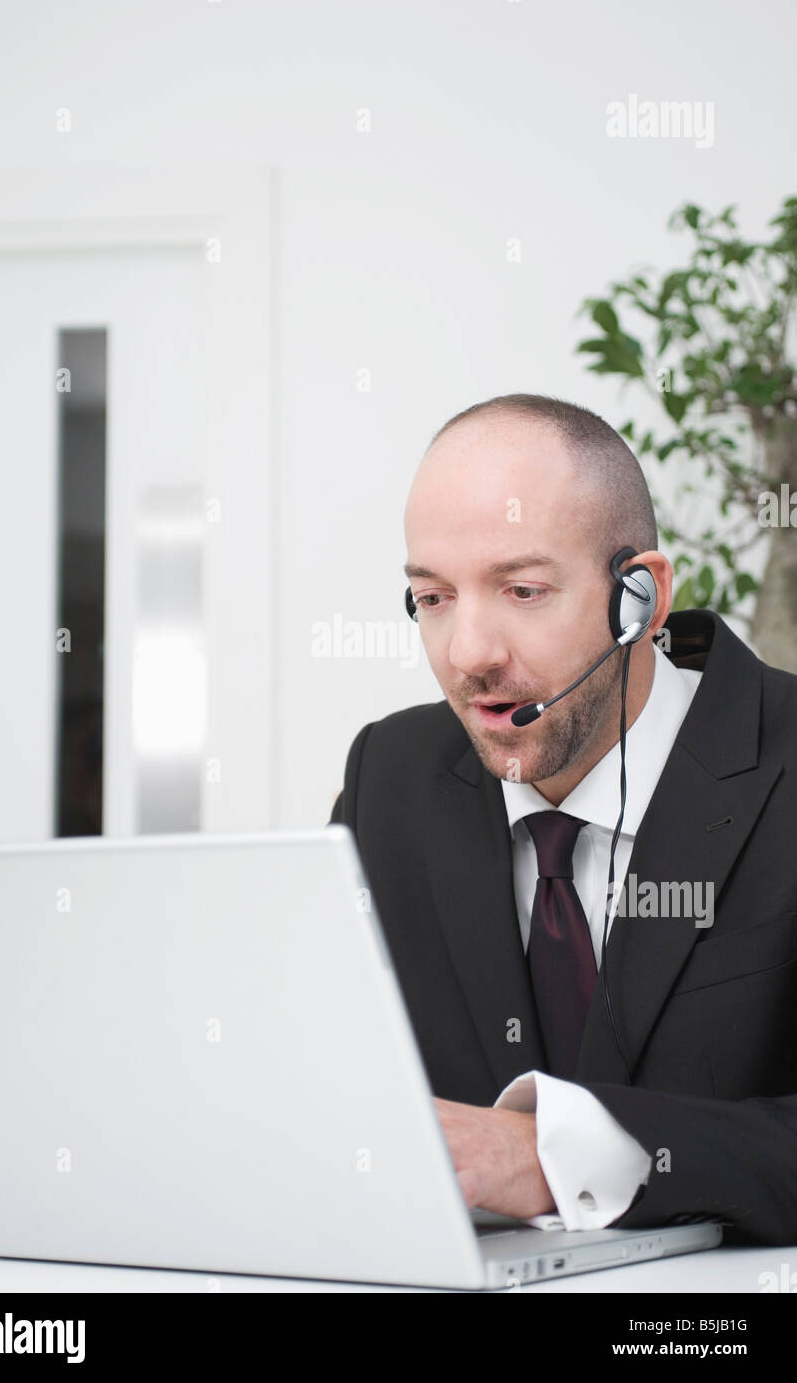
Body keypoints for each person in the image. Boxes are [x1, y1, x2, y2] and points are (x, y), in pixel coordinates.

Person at [329, 394, 797, 1245]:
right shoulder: (388, 779)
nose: (468, 653)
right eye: (432, 599)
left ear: (640, 599)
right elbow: (322, 1079)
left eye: (522, 589)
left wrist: (545, 1155)